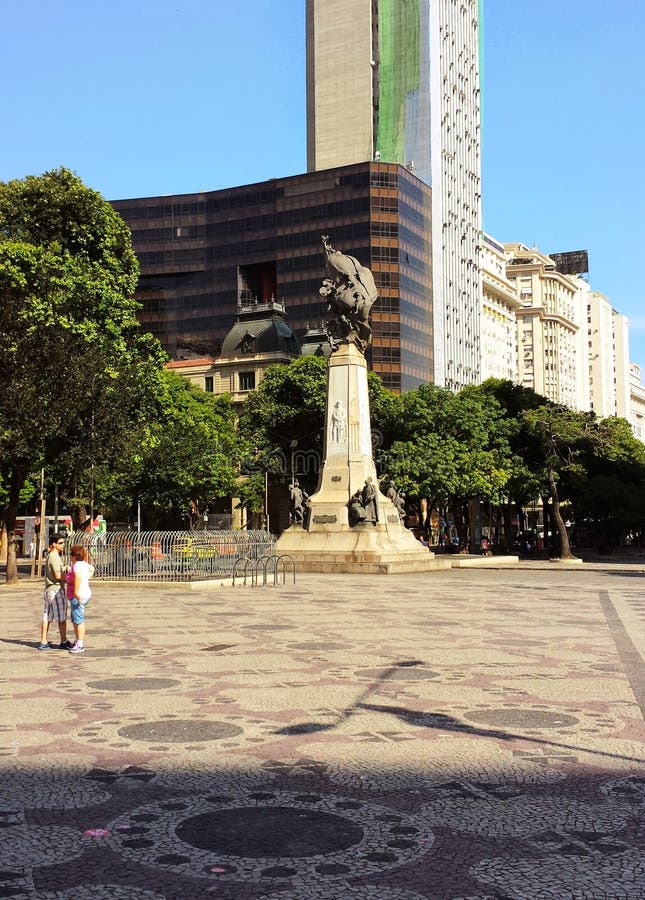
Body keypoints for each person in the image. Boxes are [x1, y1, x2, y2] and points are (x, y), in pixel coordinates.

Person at [38, 534, 72, 651]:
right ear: (54, 544)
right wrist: (68, 578)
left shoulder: (50, 556)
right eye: (61, 543)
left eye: (63, 543)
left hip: (48, 589)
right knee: (61, 617)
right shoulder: (55, 557)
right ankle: (63, 640)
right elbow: (58, 576)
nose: (63, 545)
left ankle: (43, 641)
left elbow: (55, 571)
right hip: (56, 589)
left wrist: (63, 568)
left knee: (47, 616)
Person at [66, 545, 94, 654]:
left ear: (74, 556)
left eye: (70, 555)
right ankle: (77, 640)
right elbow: (92, 569)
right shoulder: (84, 565)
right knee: (76, 618)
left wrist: (76, 592)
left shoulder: (76, 566)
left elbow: (77, 577)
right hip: (85, 593)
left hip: (78, 596)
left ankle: (80, 643)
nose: (70, 557)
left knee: (79, 619)